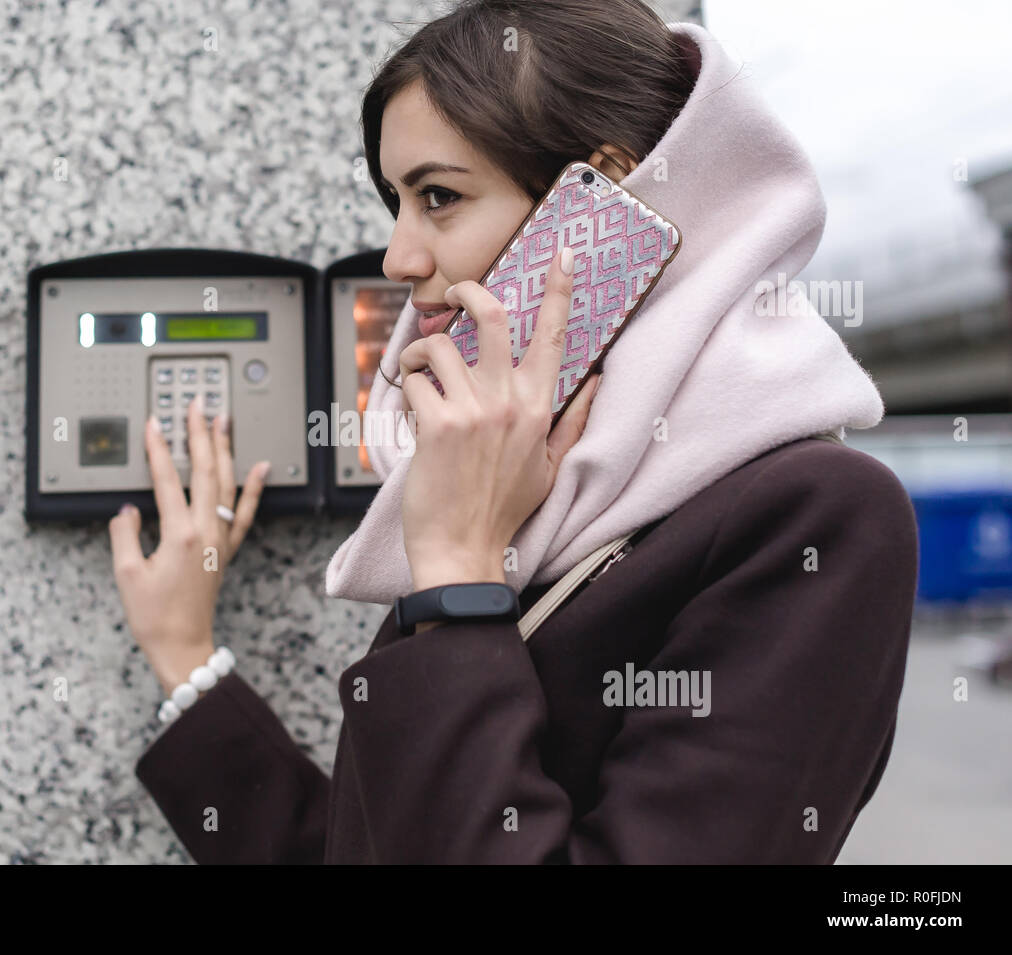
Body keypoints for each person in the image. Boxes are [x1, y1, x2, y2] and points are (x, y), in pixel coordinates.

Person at [108, 0, 919, 863]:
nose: (398, 257)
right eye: (396, 201)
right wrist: (187, 661)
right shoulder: (529, 497)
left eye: (439, 197)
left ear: (601, 206)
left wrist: (457, 578)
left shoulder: (818, 519)